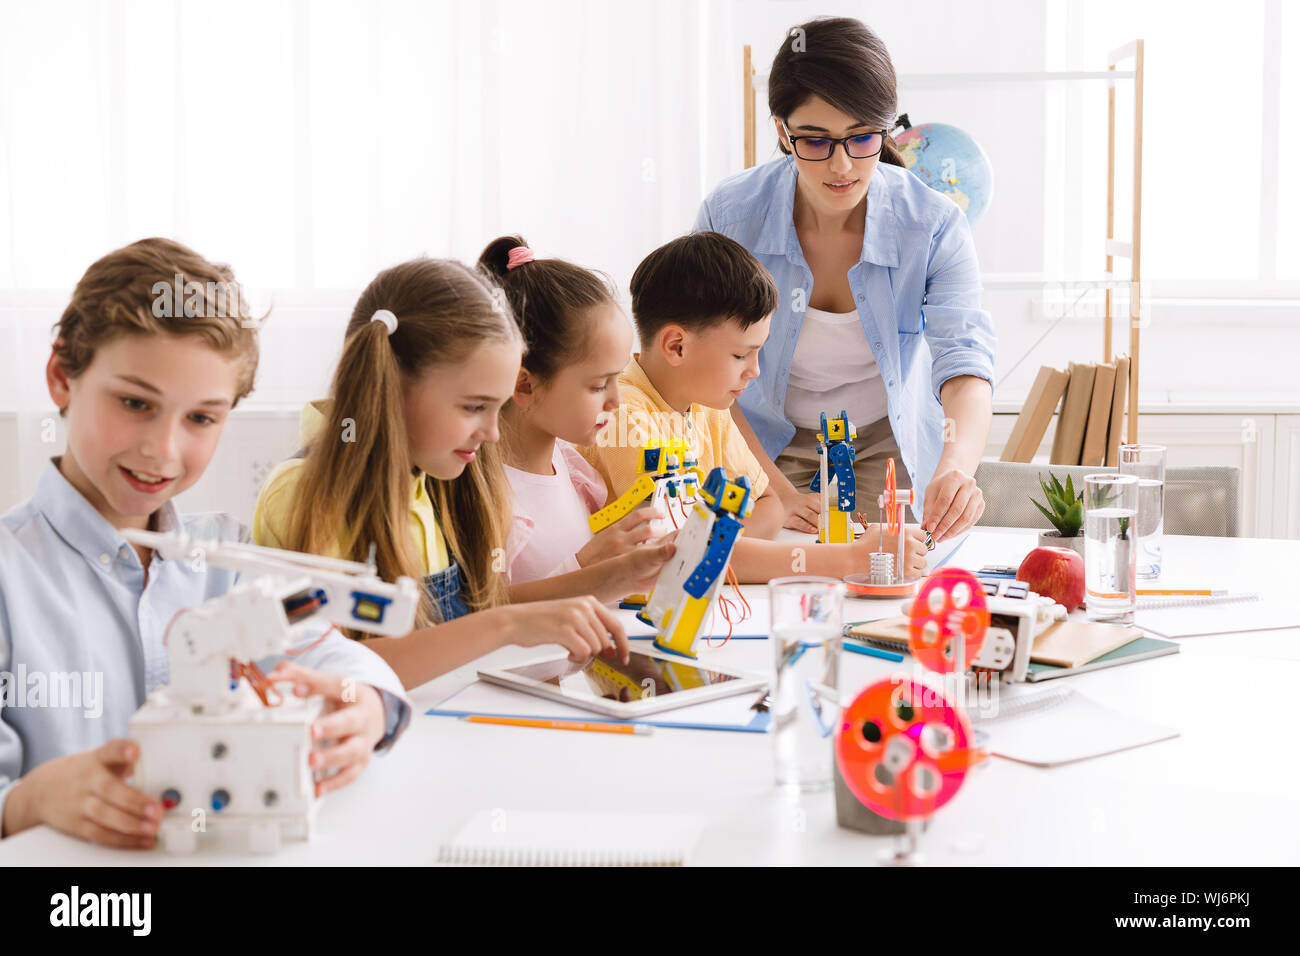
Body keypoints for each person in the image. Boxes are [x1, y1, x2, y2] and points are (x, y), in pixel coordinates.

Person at [1, 238, 410, 846]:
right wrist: (29, 799)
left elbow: (332, 651)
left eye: (201, 417)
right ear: (63, 377)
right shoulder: (13, 577)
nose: (163, 450)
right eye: (135, 402)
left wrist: (369, 705)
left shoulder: (227, 558)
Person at [253, 257, 630, 690]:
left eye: (496, 406)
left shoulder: (439, 479)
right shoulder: (304, 493)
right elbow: (327, 671)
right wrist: (505, 625)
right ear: (392, 385)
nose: (491, 434)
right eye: (474, 407)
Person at [694, 16, 996, 544]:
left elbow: (964, 360)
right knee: (760, 569)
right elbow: (702, 373)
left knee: (891, 573)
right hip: (760, 441)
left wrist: (957, 466)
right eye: (815, 140)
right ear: (783, 133)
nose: (842, 166)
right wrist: (774, 489)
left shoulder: (934, 224)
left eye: (862, 139)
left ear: (884, 130)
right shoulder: (730, 214)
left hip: (888, 442)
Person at [583, 232, 927, 583]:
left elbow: (770, 506)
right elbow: (681, 556)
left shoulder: (707, 406)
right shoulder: (623, 418)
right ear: (676, 346)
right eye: (740, 354)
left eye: (758, 351)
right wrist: (850, 558)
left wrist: (719, 549)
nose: (755, 370)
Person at [479, 236, 675, 603]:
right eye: (600, 385)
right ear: (524, 384)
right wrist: (585, 569)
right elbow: (480, 616)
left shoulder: (572, 469)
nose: (616, 401)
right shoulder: (485, 500)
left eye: (619, 378)